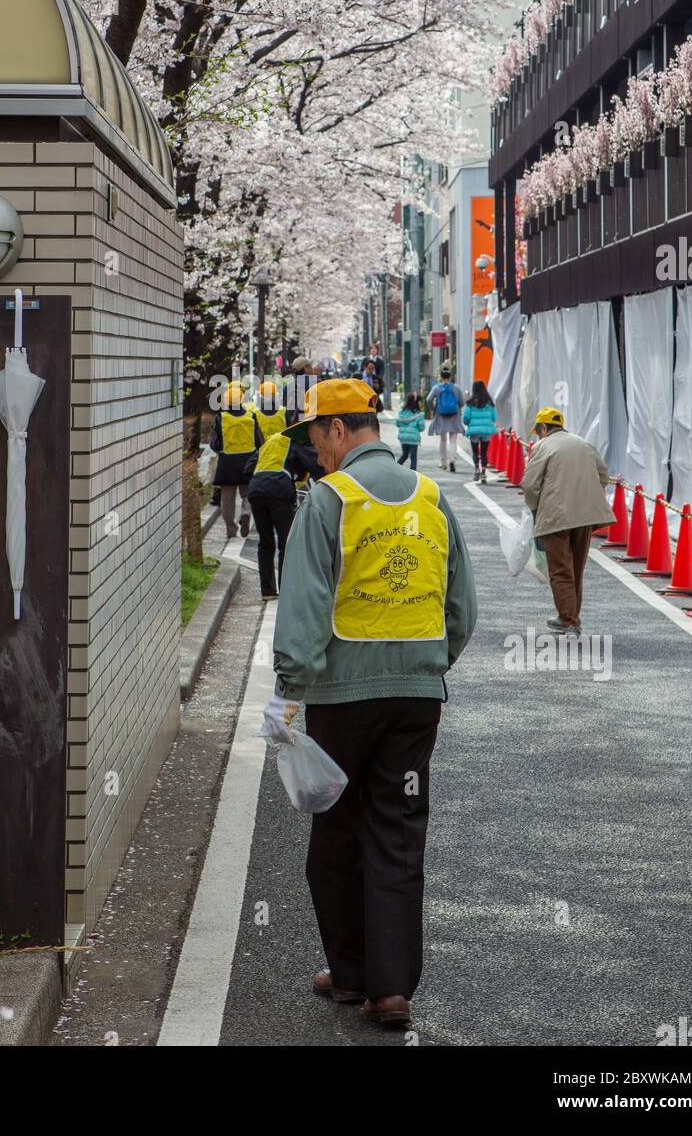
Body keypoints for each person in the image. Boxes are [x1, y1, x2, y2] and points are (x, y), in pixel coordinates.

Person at [262, 378, 477, 1026]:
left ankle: (351, 974)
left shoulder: (329, 501)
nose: (316, 455)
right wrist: (423, 662)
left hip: (341, 701)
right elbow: (461, 608)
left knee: (336, 834)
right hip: (415, 701)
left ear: (336, 430)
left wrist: (287, 691)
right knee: (397, 835)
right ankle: (392, 991)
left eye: (316, 439)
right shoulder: (432, 496)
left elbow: (302, 605)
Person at [521, 406, 614, 634]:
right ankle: (571, 615)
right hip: (584, 517)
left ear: (543, 428)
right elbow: (603, 475)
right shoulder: (583, 443)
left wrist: (535, 509)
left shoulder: (542, 446)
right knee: (576, 569)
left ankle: (569, 620)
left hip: (556, 515)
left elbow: (530, 484)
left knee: (560, 569)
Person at [245, 429, 321, 600]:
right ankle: (286, 589)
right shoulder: (296, 442)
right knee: (286, 542)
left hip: (256, 489)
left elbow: (249, 467)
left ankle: (268, 591)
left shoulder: (271, 440)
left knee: (265, 542)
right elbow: (315, 465)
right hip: (279, 490)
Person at [209, 382, 264, 539]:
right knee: (248, 495)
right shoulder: (251, 416)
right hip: (247, 462)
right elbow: (259, 441)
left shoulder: (221, 418)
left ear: (226, 402)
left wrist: (222, 450)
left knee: (227, 502)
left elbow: (214, 444)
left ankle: (230, 530)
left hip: (227, 464)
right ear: (241, 400)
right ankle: (246, 513)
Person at [426, 365, 464, 472]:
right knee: (453, 440)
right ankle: (452, 460)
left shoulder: (437, 388)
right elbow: (462, 402)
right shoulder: (456, 388)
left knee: (443, 440)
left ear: (441, 377)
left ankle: (443, 462)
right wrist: (457, 408)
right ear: (450, 376)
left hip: (441, 416)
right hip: (454, 416)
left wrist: (433, 408)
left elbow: (428, 399)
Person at [462, 380, 497, 484]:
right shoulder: (490, 403)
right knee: (484, 452)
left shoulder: (470, 403)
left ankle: (477, 469)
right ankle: (483, 473)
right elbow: (494, 417)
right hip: (486, 431)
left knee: (475, 452)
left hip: (474, 431)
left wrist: (468, 423)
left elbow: (466, 418)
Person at [395, 392, 426, 469]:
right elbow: (421, 427)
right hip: (413, 439)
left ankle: (395, 468)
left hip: (403, 438)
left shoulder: (401, 413)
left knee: (405, 455)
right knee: (413, 457)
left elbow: (397, 423)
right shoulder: (418, 415)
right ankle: (413, 473)